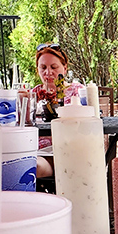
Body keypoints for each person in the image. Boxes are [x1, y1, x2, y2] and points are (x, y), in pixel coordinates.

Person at [33, 43, 84, 178]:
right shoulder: (33, 94)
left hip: (66, 152)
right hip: (34, 150)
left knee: (30, 167)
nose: (48, 72)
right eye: (43, 67)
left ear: (65, 68)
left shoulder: (78, 92)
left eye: (54, 67)